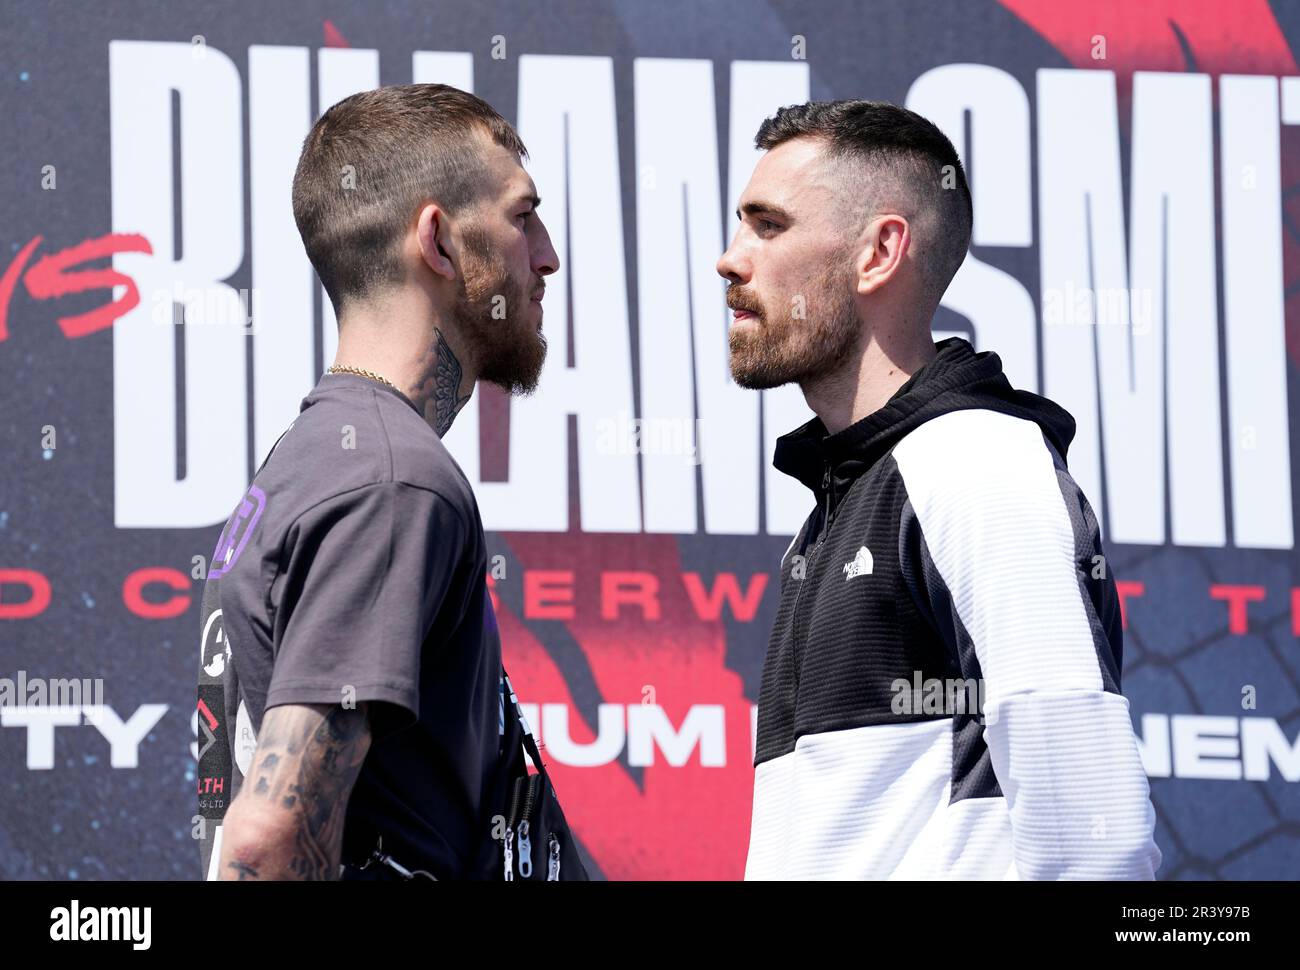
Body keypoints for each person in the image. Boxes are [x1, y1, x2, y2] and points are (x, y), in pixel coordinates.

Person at [718, 99, 1161, 880]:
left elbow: (1097, 839)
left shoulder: (973, 463)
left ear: (879, 252)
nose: (730, 258)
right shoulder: (846, 500)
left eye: (768, 225)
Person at [196, 83, 559, 880]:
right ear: (438, 240)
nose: (547, 256)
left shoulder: (319, 457)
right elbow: (265, 846)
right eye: (522, 215)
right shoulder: (392, 481)